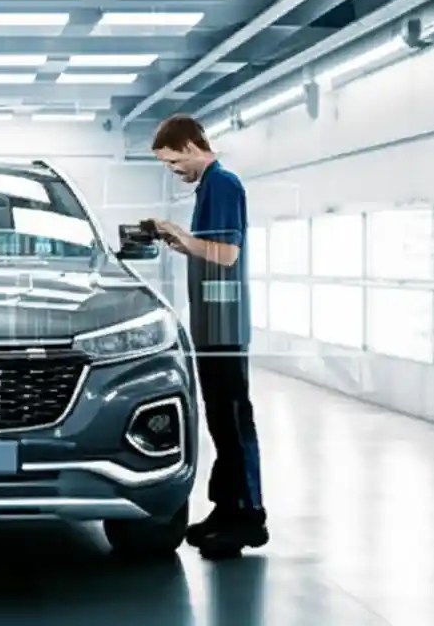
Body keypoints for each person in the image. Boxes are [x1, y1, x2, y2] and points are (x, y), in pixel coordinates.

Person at [146, 114, 267, 560]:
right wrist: (182, 244)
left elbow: (227, 255)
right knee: (217, 415)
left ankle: (249, 516)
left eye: (174, 161)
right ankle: (226, 506)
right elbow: (210, 250)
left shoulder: (224, 184)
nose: (173, 171)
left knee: (234, 418)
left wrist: (180, 234)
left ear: (193, 145)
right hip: (211, 321)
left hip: (226, 323)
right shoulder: (208, 188)